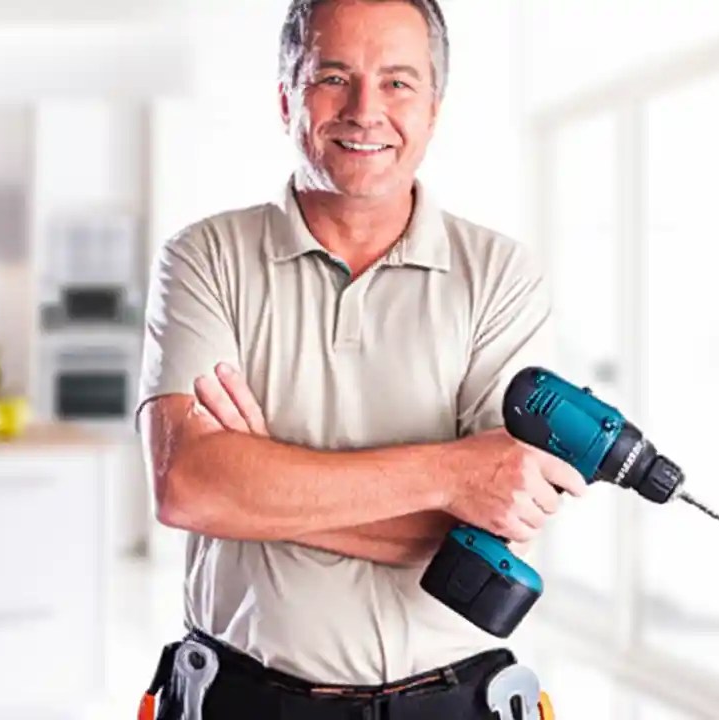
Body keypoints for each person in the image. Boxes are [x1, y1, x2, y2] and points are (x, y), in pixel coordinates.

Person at [135, 0, 588, 718]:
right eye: (333, 76)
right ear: (288, 97)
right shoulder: (206, 258)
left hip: (452, 701)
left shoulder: (500, 275)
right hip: (244, 699)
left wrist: (257, 483)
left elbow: (487, 537)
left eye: (399, 82)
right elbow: (190, 488)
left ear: (434, 108)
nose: (365, 110)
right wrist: (449, 472)